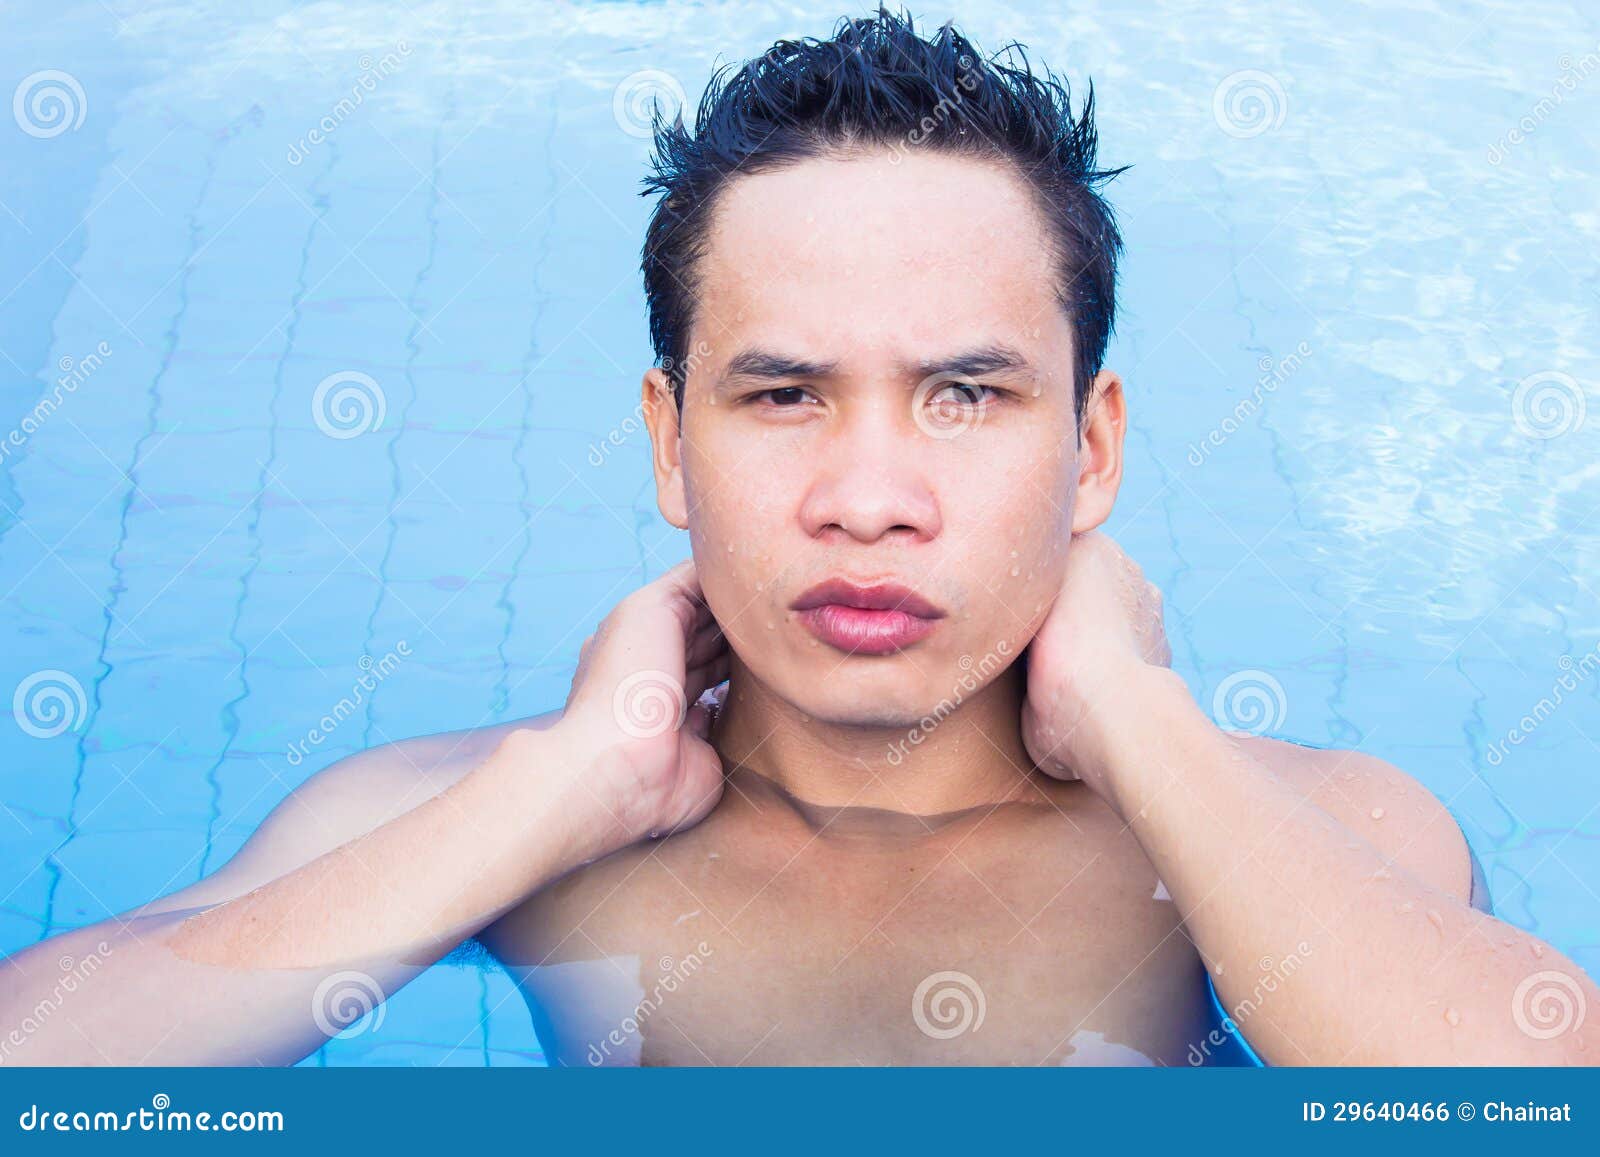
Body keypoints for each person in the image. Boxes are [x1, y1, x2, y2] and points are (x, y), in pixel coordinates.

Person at [3, 8, 1594, 1068]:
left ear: (1091, 447)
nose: (869, 493)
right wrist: (572, 783)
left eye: (966, 396)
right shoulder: (492, 825)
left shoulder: (1301, 829)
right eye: (781, 396)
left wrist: (1140, 723)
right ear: (667, 443)